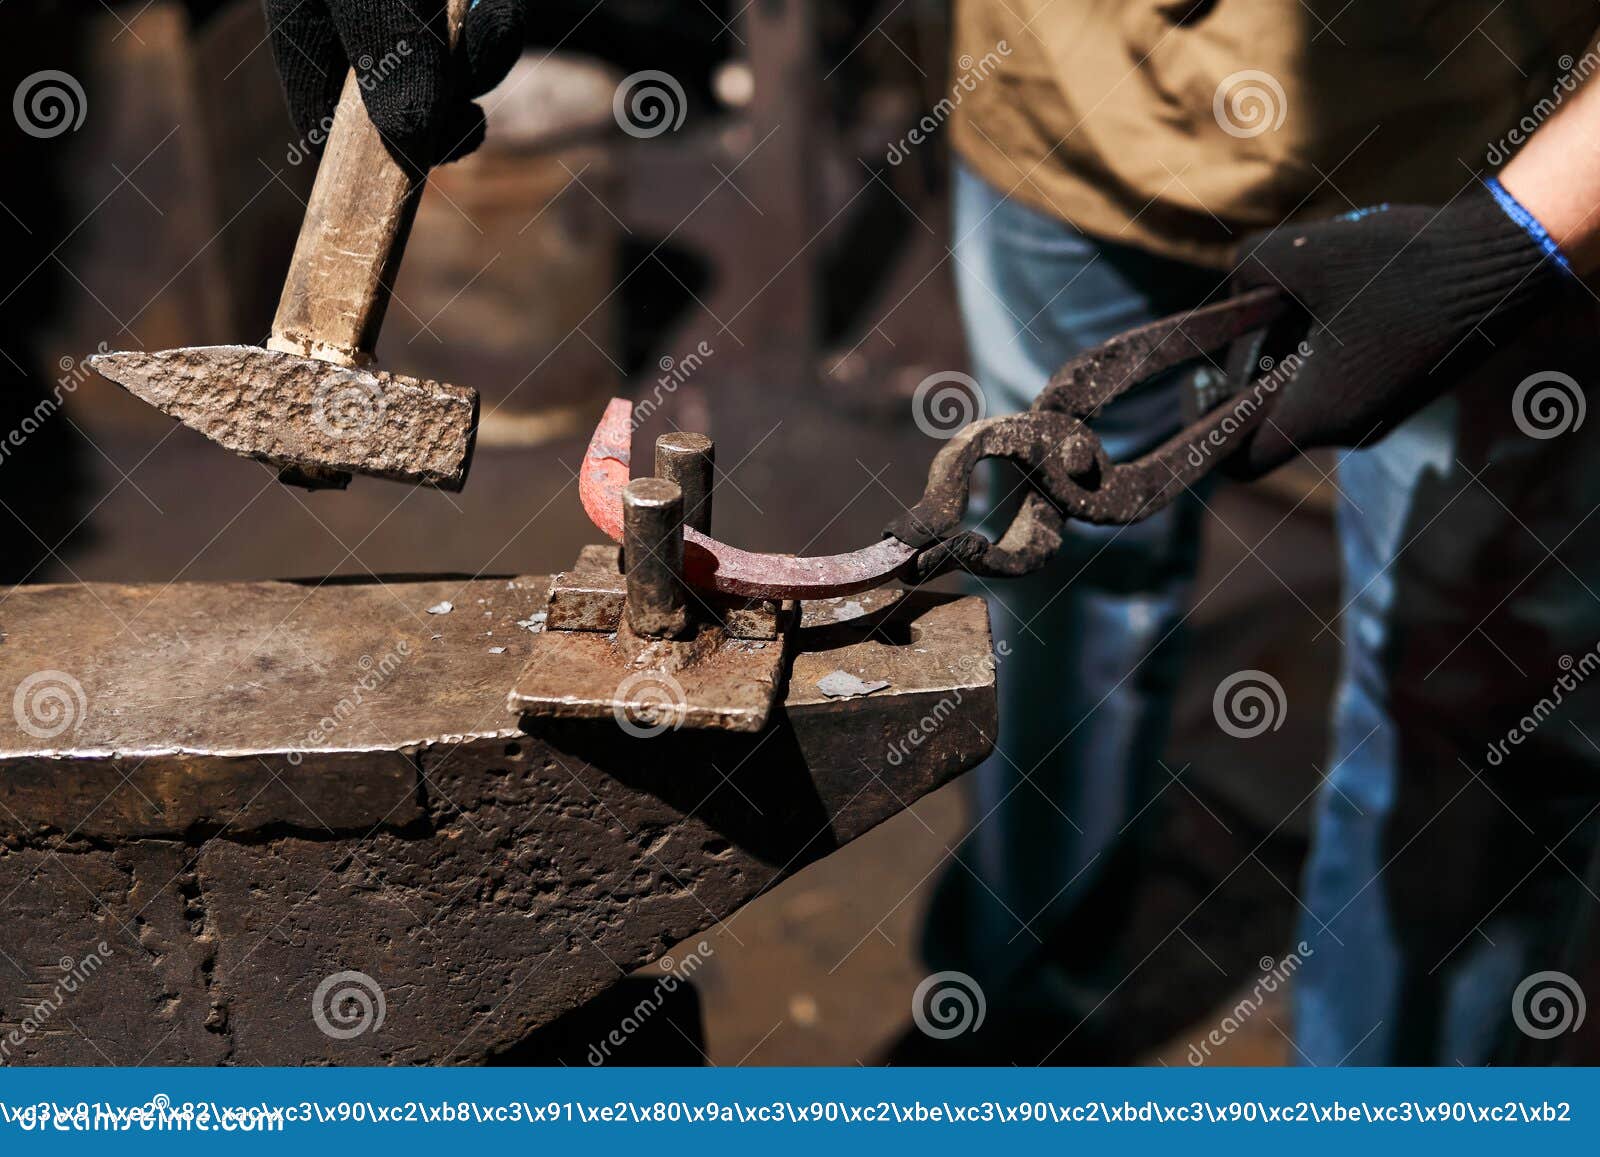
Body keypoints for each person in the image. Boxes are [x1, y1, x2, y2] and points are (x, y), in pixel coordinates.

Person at [920, 0, 1600, 1065]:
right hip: (1068, 105)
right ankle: (1018, 1022)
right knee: (1055, 590)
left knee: (1468, 680)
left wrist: (1509, 243)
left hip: (1490, 153)